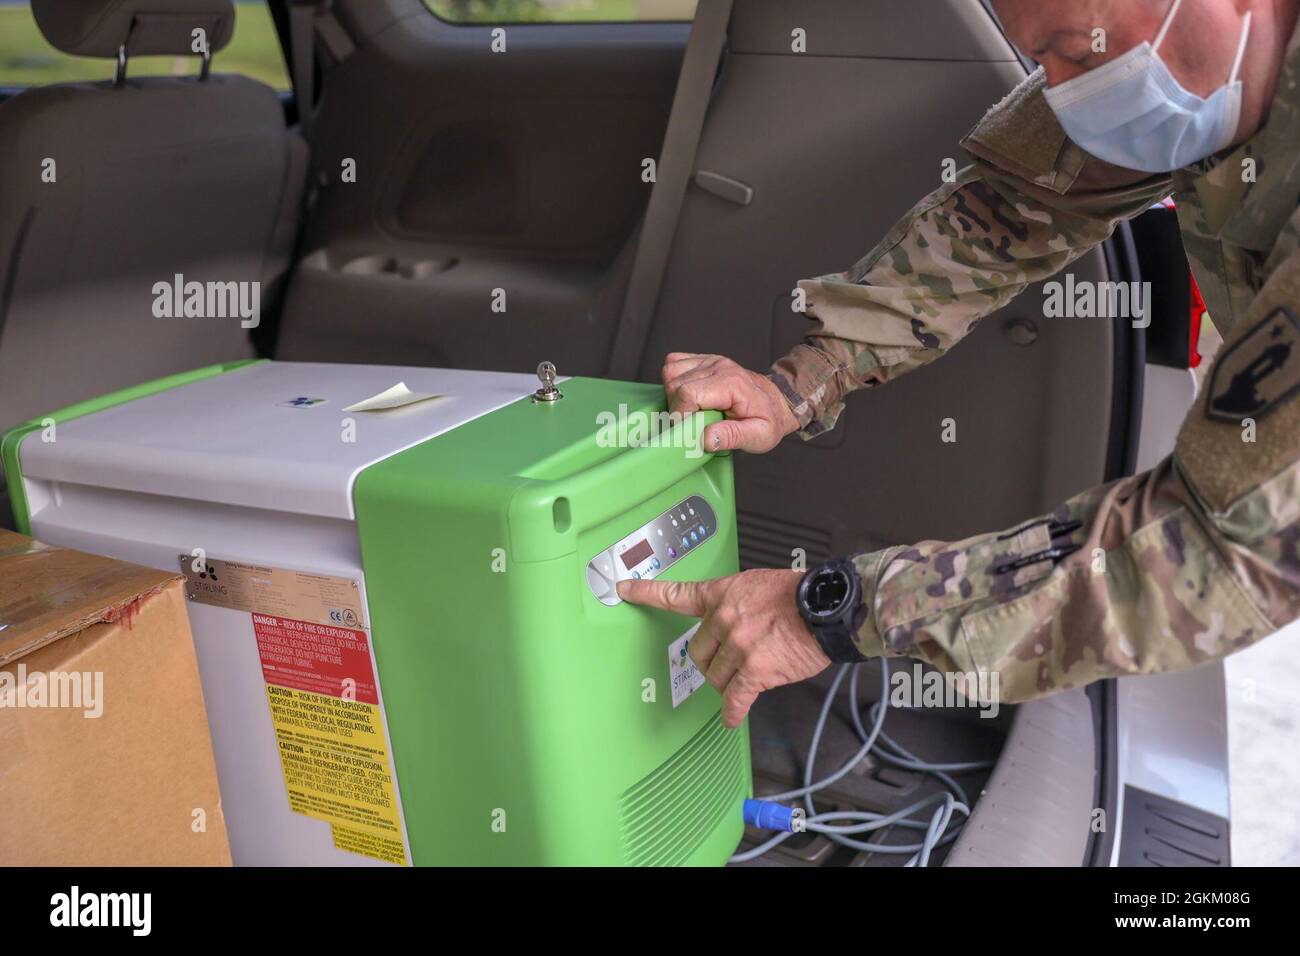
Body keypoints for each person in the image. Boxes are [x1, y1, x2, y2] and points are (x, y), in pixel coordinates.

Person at [618, 0, 1300, 729]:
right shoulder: (1182, 64)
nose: (1062, 90)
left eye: (1074, 52)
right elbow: (1009, 213)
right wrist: (802, 382)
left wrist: (829, 610)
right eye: (1039, 61)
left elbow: (1210, 544)